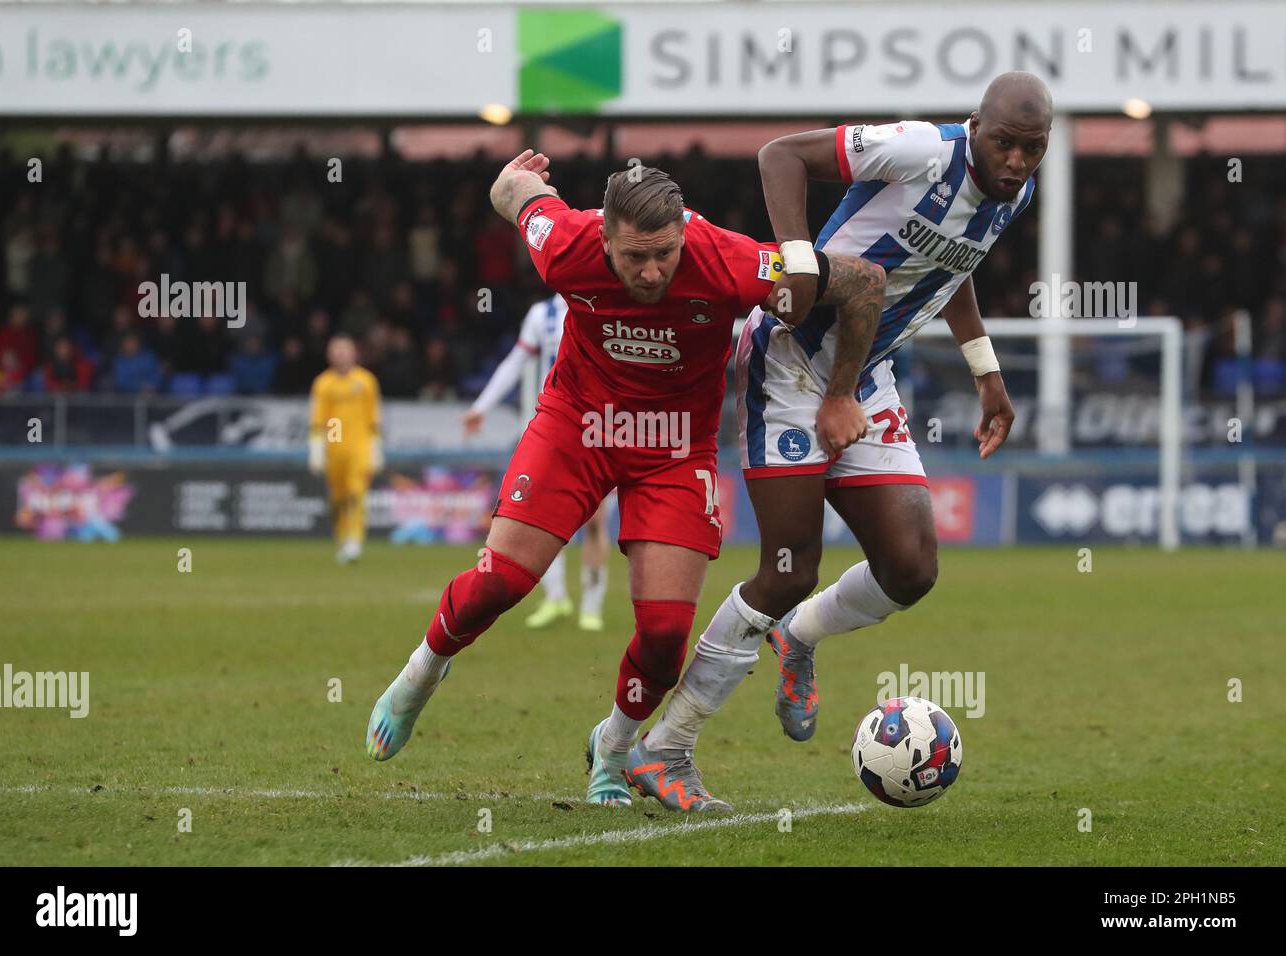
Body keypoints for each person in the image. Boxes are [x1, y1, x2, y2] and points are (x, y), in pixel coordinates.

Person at [365, 148, 878, 812]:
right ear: (602, 236)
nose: (652, 270)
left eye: (664, 252)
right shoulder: (566, 243)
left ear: (683, 236)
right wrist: (518, 178)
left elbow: (863, 281)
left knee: (665, 631)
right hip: (577, 425)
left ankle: (611, 751)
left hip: (673, 449)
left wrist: (842, 391)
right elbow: (512, 191)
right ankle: (419, 675)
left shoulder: (726, 259)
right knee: (502, 582)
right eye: (633, 256)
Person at [643, 72, 1048, 785]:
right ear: (974, 125)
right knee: (790, 569)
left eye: (1033, 148)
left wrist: (985, 371)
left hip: (867, 371)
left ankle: (797, 640)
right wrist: (799, 261)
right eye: (1006, 144)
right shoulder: (922, 149)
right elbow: (780, 155)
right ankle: (665, 747)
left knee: (912, 566)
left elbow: (955, 266)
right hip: (793, 364)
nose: (1016, 161)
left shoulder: (1015, 195)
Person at [462, 292, 612, 632]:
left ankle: (592, 605)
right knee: (547, 517)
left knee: (595, 522)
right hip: (555, 431)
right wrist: (481, 407)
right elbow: (516, 361)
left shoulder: (606, 299)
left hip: (599, 430)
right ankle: (556, 597)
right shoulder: (541, 314)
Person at [308, 334, 383, 564]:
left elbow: (373, 417)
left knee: (356, 493)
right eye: (336, 350)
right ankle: (343, 538)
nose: (340, 354)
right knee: (338, 498)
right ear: (329, 354)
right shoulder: (323, 383)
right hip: (335, 448)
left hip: (359, 447)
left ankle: (354, 540)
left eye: (345, 349)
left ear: (354, 353)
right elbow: (319, 419)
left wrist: (376, 448)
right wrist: (317, 449)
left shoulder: (366, 381)